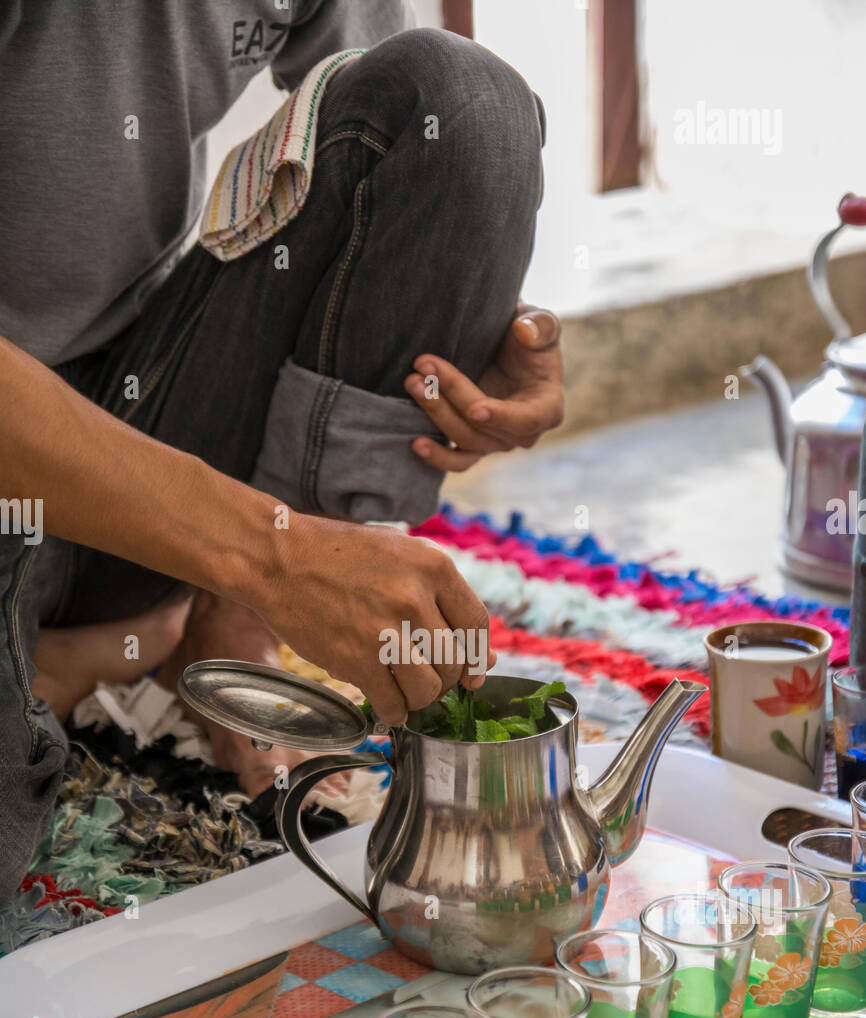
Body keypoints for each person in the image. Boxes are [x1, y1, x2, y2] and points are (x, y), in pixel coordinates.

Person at [0, 0, 564, 906]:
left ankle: (213, 632)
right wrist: (275, 550)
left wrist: (492, 343)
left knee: (466, 105)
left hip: (139, 405)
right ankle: (81, 653)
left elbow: (400, 159)